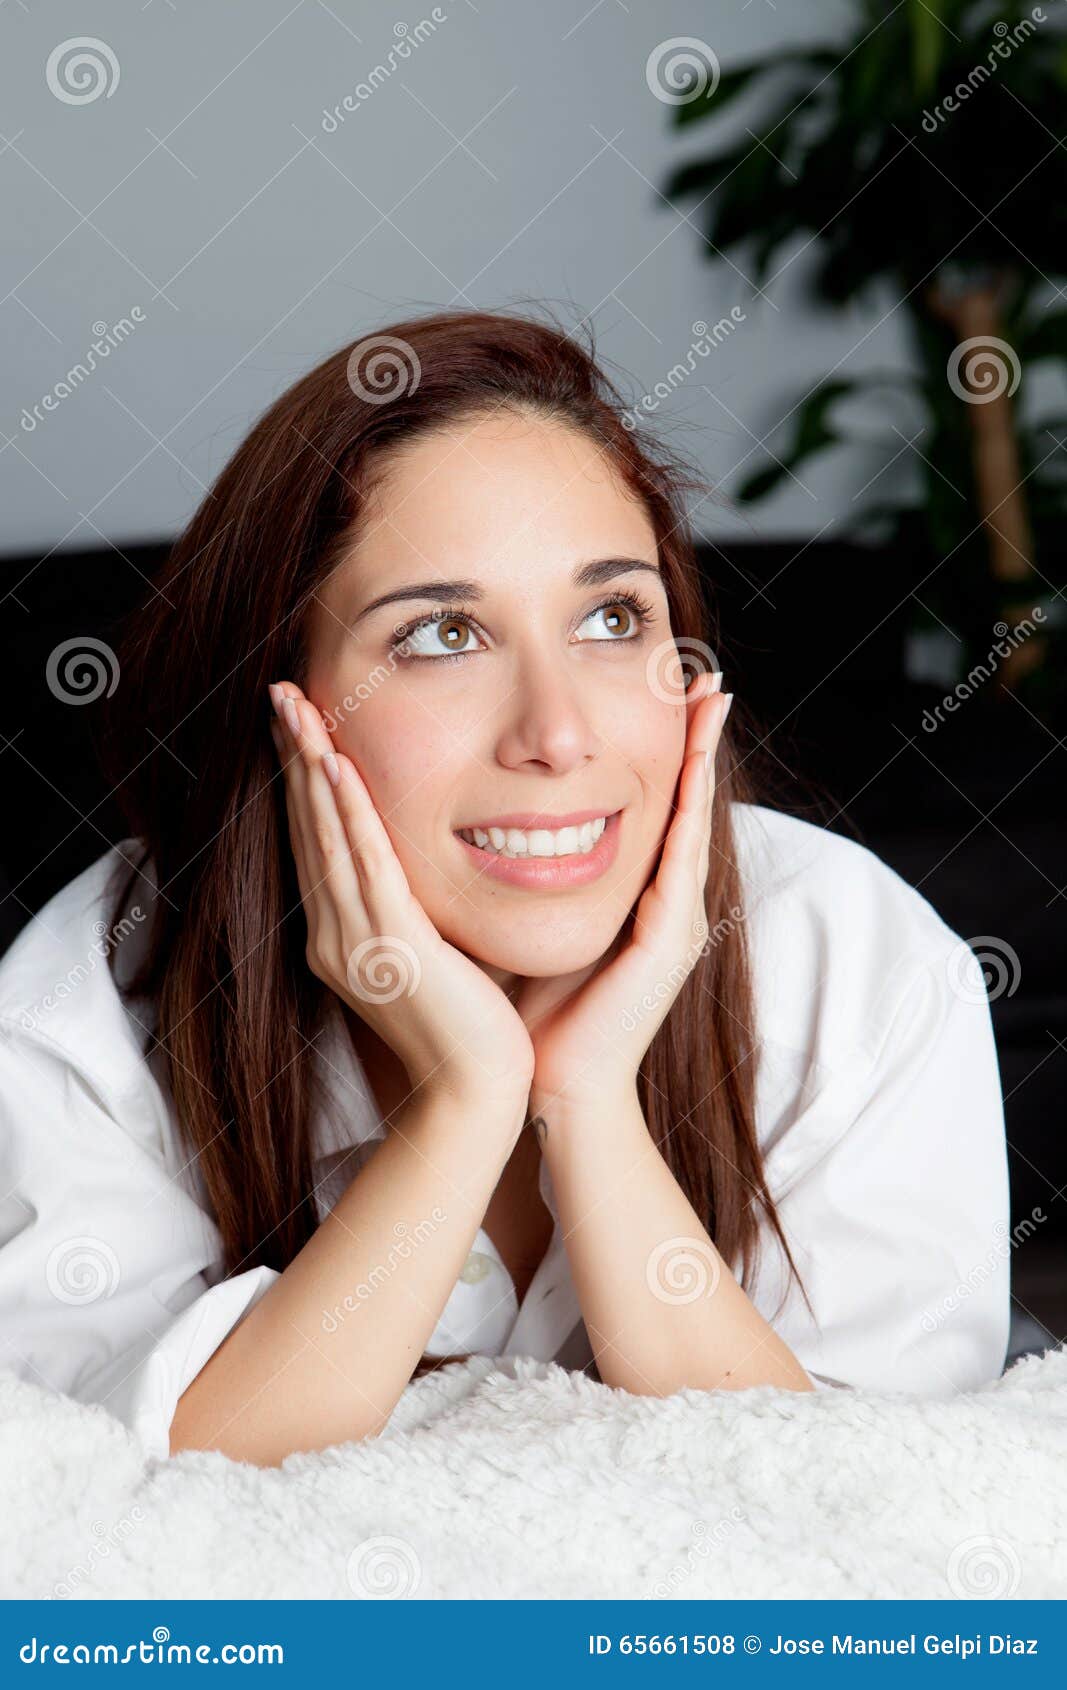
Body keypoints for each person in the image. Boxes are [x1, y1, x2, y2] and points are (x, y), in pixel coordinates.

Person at [0, 309, 1010, 1469]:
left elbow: (867, 1530)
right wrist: (462, 1102)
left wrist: (587, 1104)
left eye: (610, 616)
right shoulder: (86, 999)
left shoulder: (849, 952)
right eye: (441, 634)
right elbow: (107, 1529)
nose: (558, 732)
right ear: (282, 706)